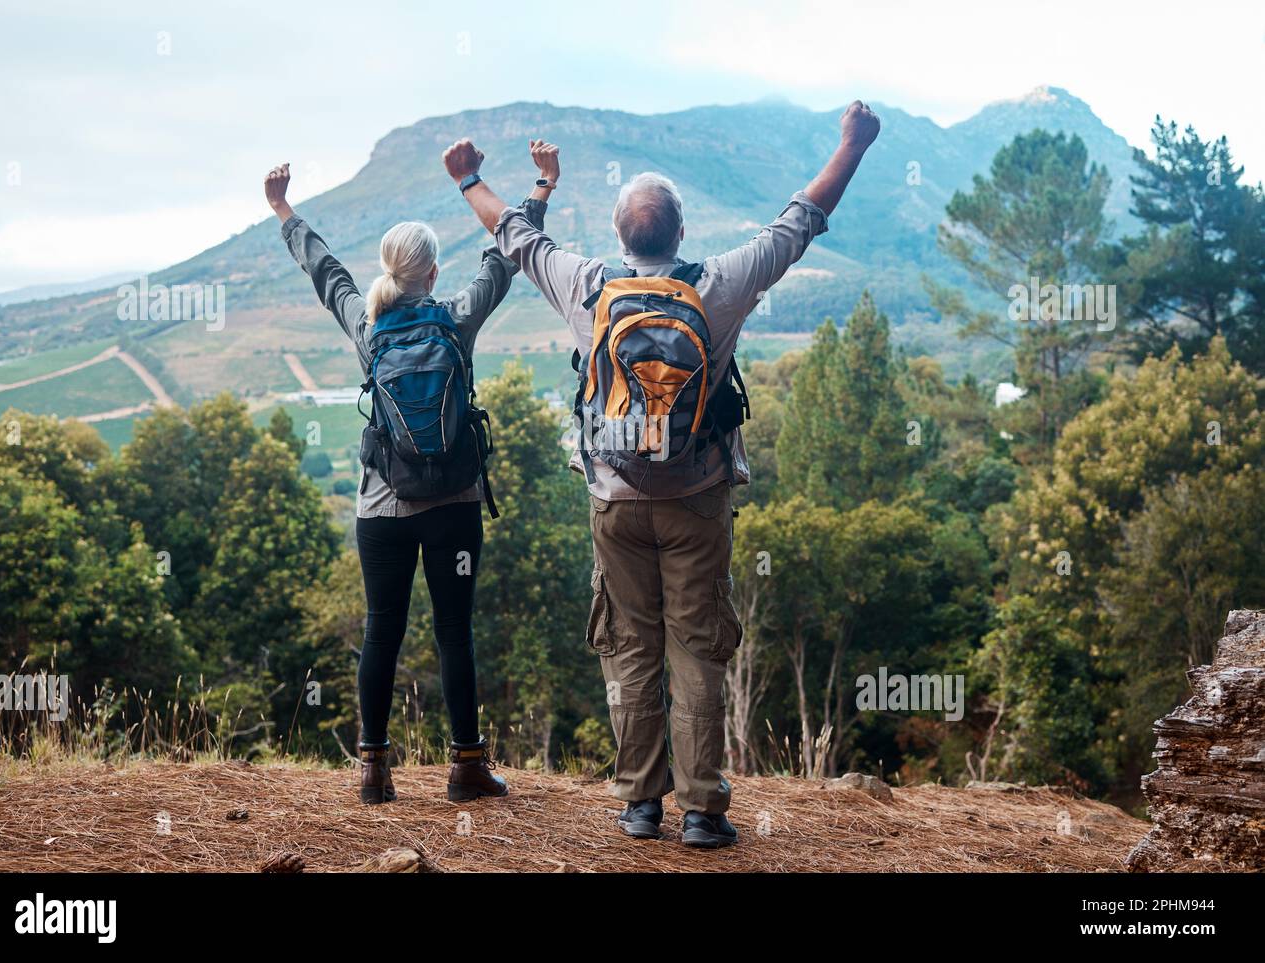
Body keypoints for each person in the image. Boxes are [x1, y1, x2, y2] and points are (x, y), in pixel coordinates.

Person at [443, 102, 881, 846]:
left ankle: (641, 803)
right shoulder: (720, 285)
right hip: (697, 498)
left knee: (631, 648)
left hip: (613, 500)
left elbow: (514, 236)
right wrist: (853, 146)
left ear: (620, 235)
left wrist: (471, 179)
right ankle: (703, 811)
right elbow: (800, 221)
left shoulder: (585, 284)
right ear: (680, 232)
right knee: (697, 649)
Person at [262, 143, 561, 803]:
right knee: (455, 630)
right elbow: (511, 251)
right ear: (430, 270)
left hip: (382, 507)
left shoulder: (368, 327)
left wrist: (283, 206)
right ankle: (466, 766)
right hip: (453, 501)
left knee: (381, 628)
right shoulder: (456, 319)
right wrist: (541, 186)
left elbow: (323, 268)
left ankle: (372, 768)